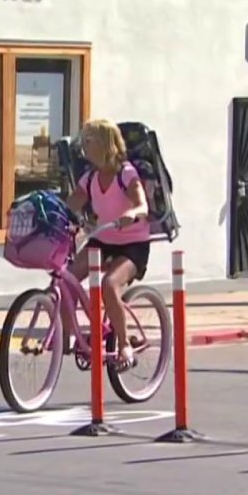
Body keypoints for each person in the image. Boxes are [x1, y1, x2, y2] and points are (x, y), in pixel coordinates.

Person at [64, 119, 152, 369]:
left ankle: (124, 345)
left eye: (88, 141)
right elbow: (70, 204)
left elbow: (142, 205)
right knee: (68, 279)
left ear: (103, 144)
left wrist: (132, 214)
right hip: (103, 238)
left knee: (110, 284)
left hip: (132, 243)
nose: (84, 147)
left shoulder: (126, 174)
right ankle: (68, 338)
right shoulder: (90, 178)